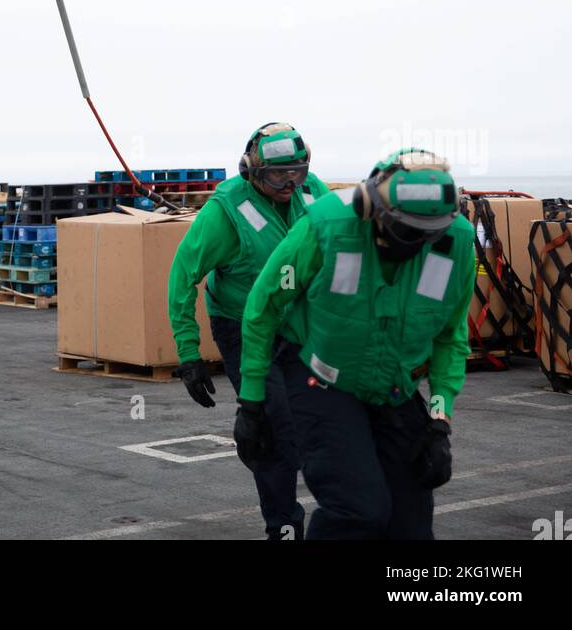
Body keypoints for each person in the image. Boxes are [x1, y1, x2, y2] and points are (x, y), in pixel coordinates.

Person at [234, 150, 476, 541]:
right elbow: (263, 307)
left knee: (410, 525)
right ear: (371, 208)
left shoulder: (457, 243)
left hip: (396, 387)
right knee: (359, 509)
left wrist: (438, 420)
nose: (415, 243)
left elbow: (450, 336)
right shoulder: (326, 226)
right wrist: (252, 402)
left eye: (426, 233)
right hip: (320, 378)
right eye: (405, 230)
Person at [168, 122, 329, 540]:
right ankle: (283, 528)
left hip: (298, 326)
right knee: (275, 432)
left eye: (298, 170)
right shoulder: (224, 214)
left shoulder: (313, 192)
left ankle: (256, 433)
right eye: (279, 174)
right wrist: (189, 355)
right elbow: (183, 278)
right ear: (252, 172)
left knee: (306, 424)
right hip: (243, 328)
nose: (291, 182)